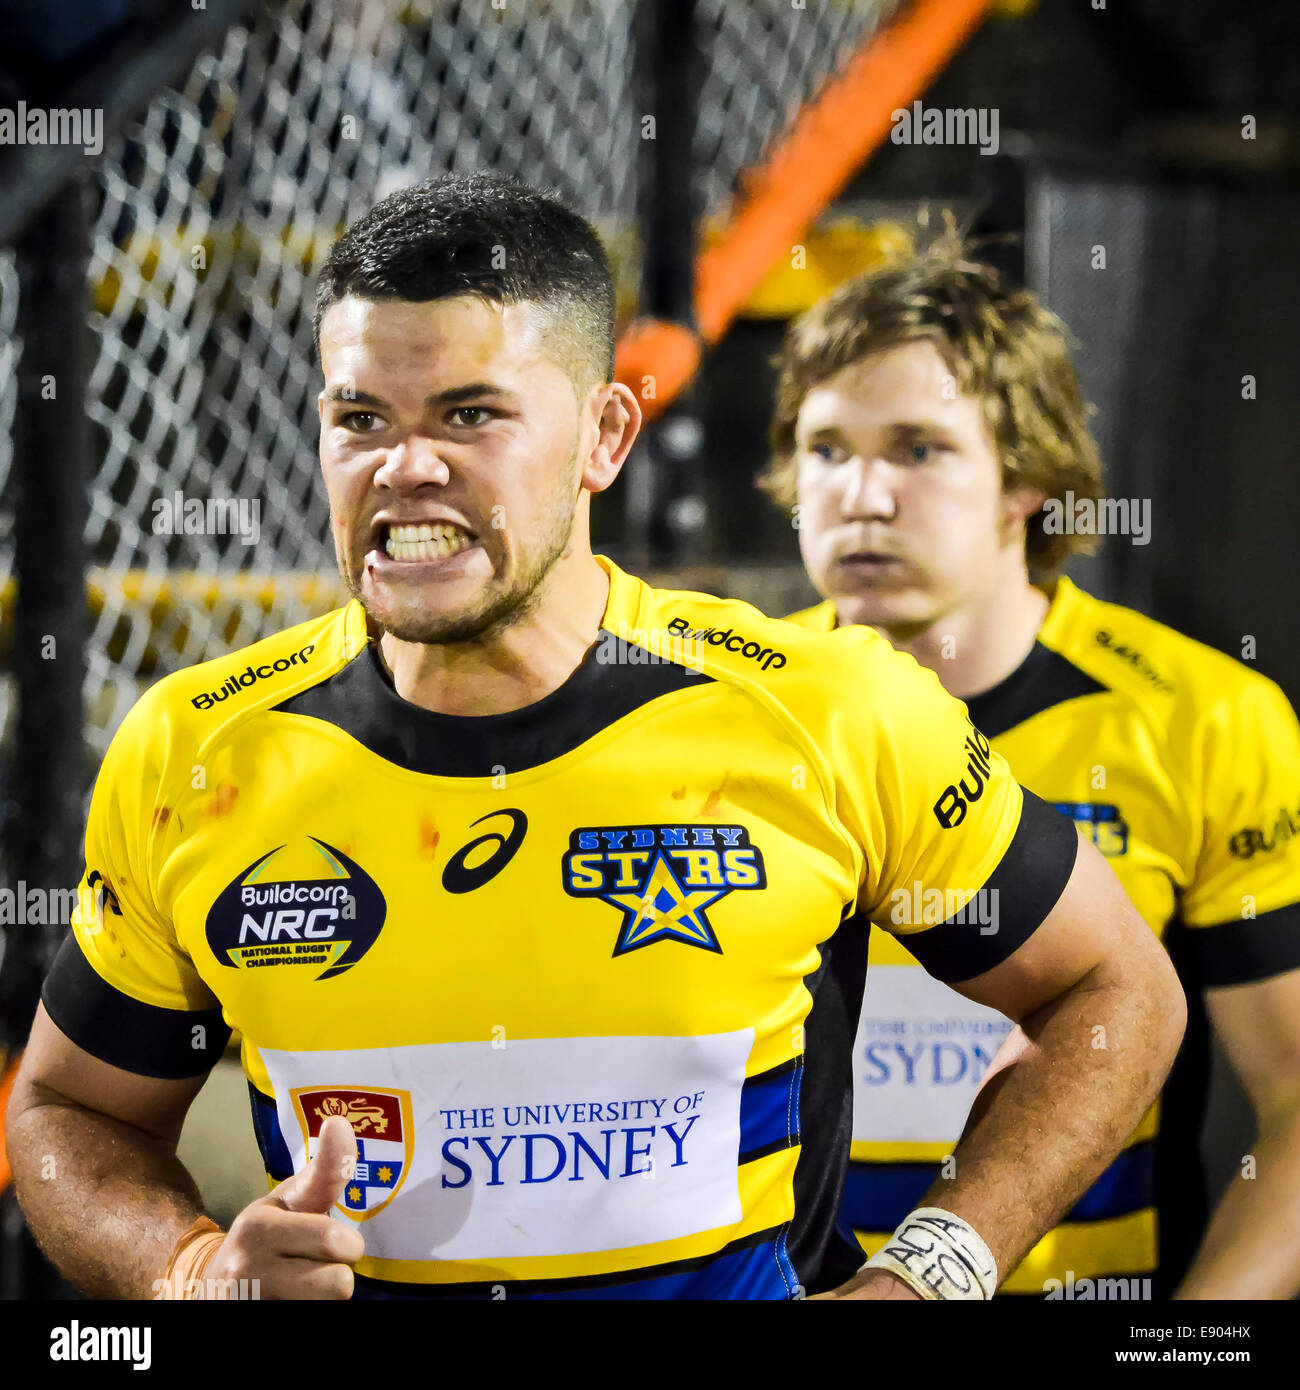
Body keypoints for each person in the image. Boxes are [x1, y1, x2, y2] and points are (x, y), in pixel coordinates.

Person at [6, 177, 1183, 1301]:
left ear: (605, 436)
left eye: (471, 414)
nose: (404, 466)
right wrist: (192, 1273)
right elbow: (70, 1115)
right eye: (359, 416)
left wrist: (931, 1269)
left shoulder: (824, 711)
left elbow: (1112, 986)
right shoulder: (197, 749)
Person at [765, 242, 1300, 1299]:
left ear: (1027, 482)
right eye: (826, 449)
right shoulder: (736, 710)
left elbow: (1293, 1102)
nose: (861, 493)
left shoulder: (1200, 717)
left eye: (917, 448)